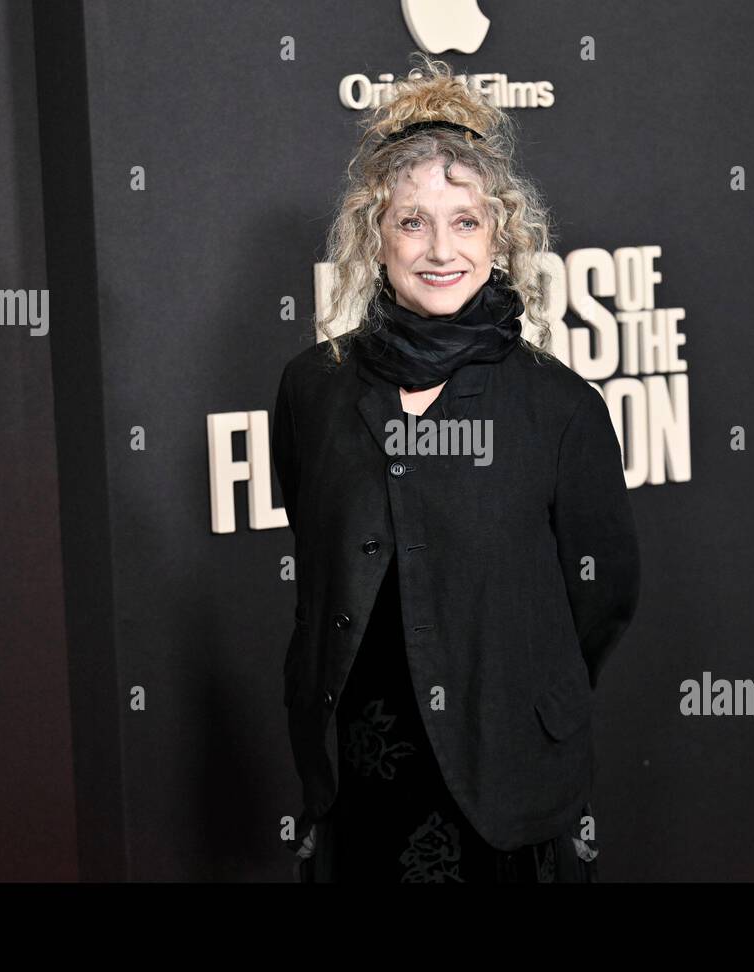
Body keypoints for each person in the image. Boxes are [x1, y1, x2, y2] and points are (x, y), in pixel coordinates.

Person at [273, 53, 640, 883]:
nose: (440, 249)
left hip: (505, 778)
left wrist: (520, 688)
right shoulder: (313, 389)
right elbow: (318, 564)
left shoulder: (561, 409)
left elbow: (602, 595)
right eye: (412, 222)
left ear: (502, 234)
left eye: (465, 221)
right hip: (358, 781)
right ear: (375, 235)